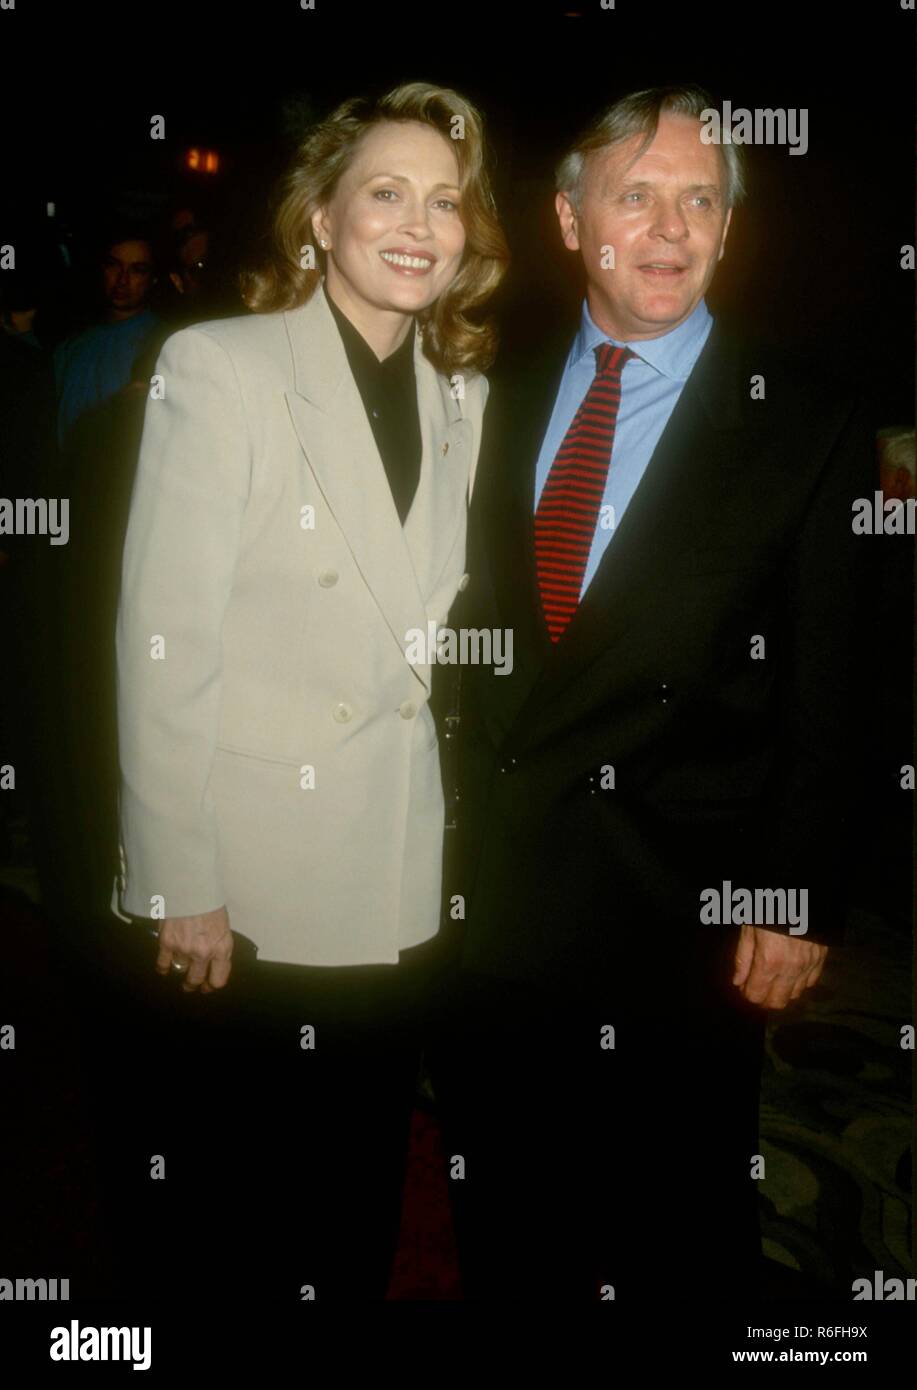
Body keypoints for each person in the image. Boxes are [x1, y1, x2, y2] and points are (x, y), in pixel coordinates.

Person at [430, 84, 878, 1301]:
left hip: (680, 915)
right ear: (570, 219)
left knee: (676, 1236)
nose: (672, 227)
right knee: (509, 1224)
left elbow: (837, 685)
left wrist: (797, 895)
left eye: (700, 198)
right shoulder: (481, 390)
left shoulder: (804, 422)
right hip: (487, 904)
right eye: (637, 195)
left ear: (729, 230)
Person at [104, 80, 508, 1302]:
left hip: (398, 863)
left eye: (444, 202)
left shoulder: (465, 397)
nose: (417, 223)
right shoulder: (217, 366)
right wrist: (182, 878)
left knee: (353, 1188)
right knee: (240, 1203)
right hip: (256, 881)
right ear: (317, 221)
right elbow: (161, 640)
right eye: (384, 191)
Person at [52, 230, 161, 450]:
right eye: (114, 265)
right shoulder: (70, 345)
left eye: (137, 270)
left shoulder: (164, 343)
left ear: (153, 279)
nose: (123, 279)